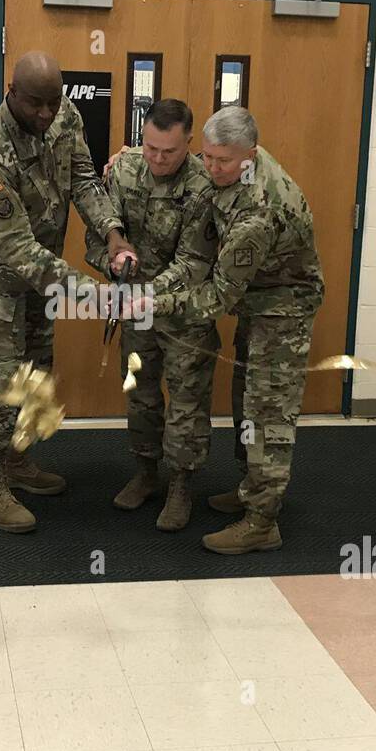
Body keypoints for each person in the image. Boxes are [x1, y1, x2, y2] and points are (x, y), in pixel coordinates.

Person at [0, 51, 136, 533]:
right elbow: (15, 247)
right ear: (12, 94)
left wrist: (112, 230)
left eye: (53, 102)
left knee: (37, 366)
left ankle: (18, 461)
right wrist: (91, 294)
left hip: (45, 270)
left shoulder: (64, 113)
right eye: (35, 103)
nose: (45, 113)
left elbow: (82, 178)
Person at [133, 106, 323, 555]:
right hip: (255, 301)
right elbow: (198, 258)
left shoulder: (258, 211)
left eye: (222, 161)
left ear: (250, 155)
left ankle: (262, 521)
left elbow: (215, 299)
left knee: (268, 413)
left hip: (283, 310)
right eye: (206, 157)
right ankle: (248, 490)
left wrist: (154, 302)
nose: (210, 168)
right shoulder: (231, 167)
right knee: (244, 398)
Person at [84, 99, 218, 531]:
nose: (158, 159)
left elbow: (195, 263)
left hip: (184, 314)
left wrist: (147, 293)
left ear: (189, 144)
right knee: (140, 393)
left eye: (170, 152)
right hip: (136, 311)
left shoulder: (203, 186)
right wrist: (115, 260)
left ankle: (181, 485)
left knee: (185, 401)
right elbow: (96, 238)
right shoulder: (123, 172)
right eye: (151, 148)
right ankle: (146, 473)